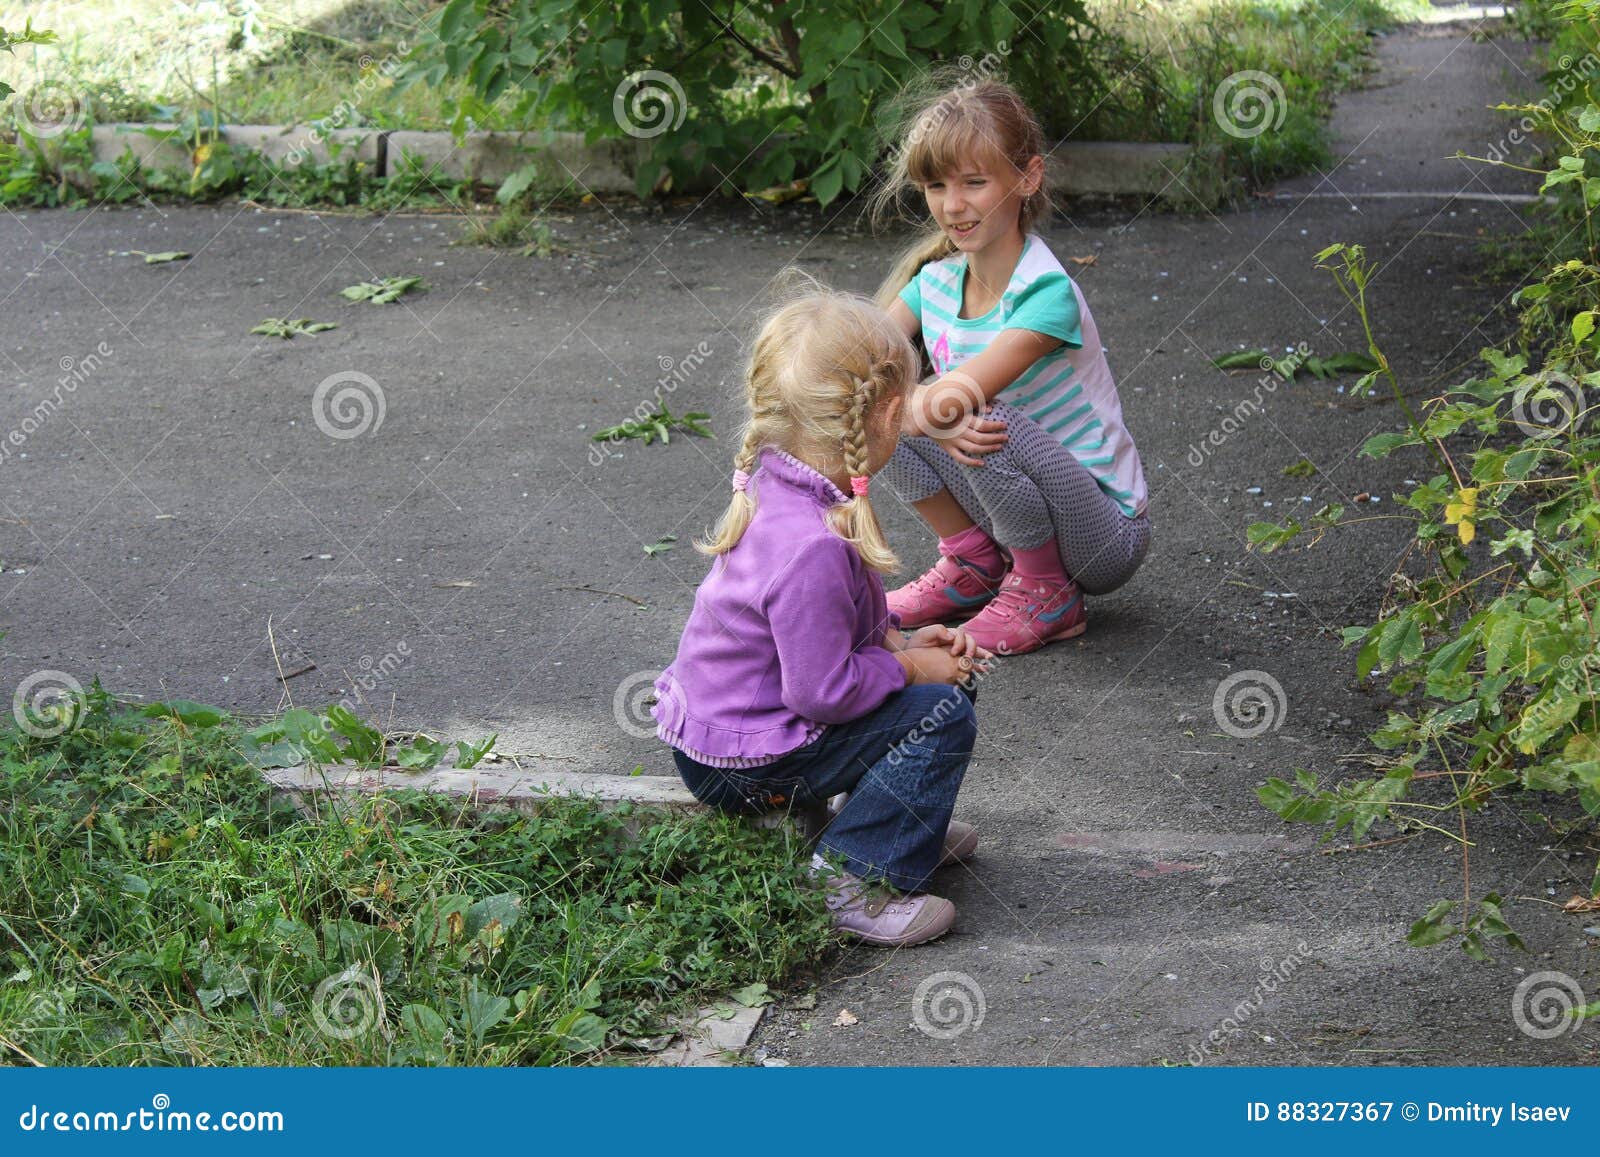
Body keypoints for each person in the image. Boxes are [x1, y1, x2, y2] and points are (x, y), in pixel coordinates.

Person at [652, 290, 991, 948]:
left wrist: (903, 642)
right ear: (889, 414)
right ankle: (850, 877)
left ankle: (896, 819)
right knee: (943, 711)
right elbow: (822, 692)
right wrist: (910, 665)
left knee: (944, 684)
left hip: (745, 727)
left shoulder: (790, 483)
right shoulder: (813, 545)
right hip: (743, 760)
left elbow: (829, 634)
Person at [873, 77, 1152, 655]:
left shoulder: (1046, 293)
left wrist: (919, 405)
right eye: (935, 185)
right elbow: (855, 365)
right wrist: (894, 404)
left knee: (968, 411)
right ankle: (973, 562)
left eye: (975, 182)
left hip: (1102, 533)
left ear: (1027, 177)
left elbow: (956, 399)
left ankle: (1046, 590)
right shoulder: (936, 283)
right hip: (1012, 503)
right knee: (876, 404)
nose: (952, 204)